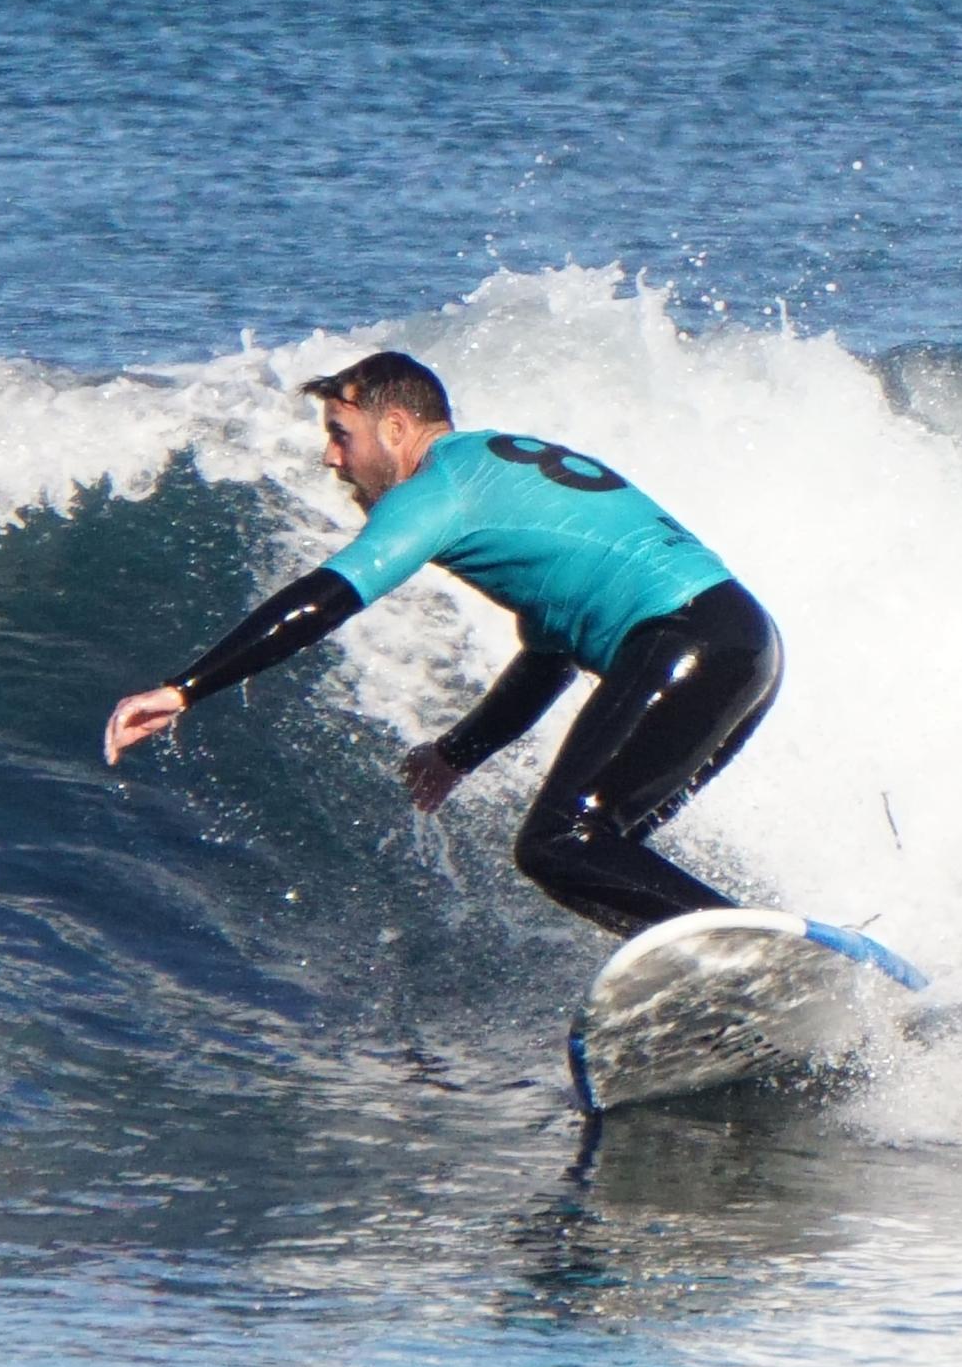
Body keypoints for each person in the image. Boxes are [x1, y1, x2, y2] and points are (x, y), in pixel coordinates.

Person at [101, 350, 779, 937]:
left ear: (396, 428)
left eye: (342, 435)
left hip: (682, 635)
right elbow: (549, 659)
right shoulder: (496, 469)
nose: (331, 457)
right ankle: (730, 978)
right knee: (599, 853)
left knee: (560, 841)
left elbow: (326, 598)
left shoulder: (437, 485)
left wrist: (185, 688)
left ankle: (753, 960)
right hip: (743, 641)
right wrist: (458, 753)